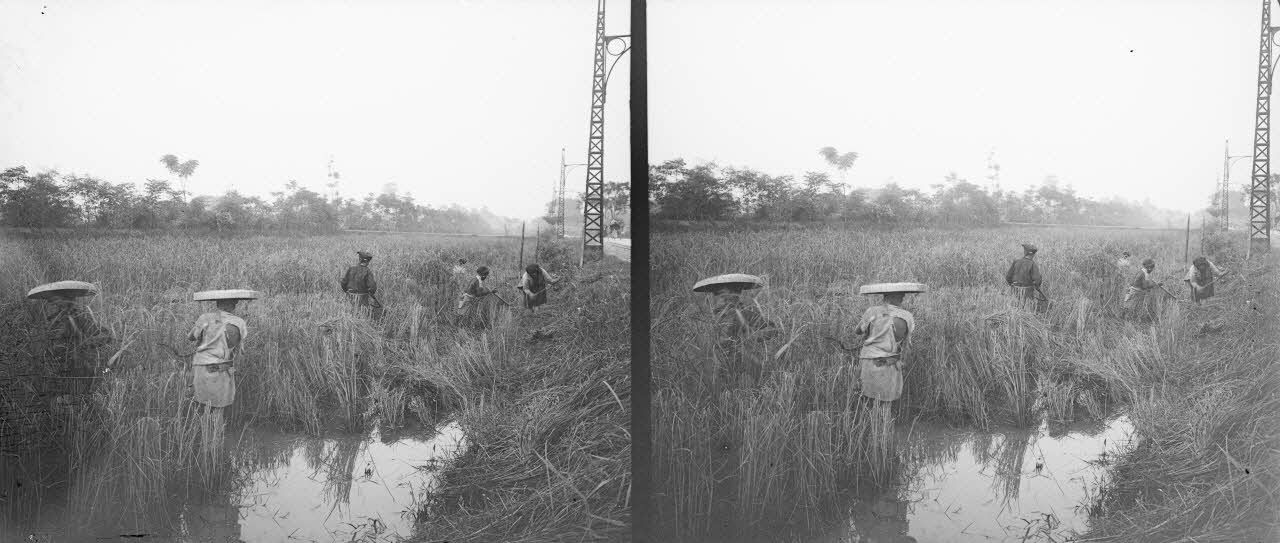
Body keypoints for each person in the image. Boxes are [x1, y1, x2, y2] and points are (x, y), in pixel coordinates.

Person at [187, 290, 257, 456]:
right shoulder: (239, 322)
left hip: (201, 366)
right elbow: (240, 348)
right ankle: (215, 446)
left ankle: (205, 445)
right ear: (233, 305)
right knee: (218, 410)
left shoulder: (205, 318)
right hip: (221, 367)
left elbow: (191, 337)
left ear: (217, 304)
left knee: (203, 405)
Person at [693, 274, 778, 394]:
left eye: (728, 295)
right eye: (718, 295)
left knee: (744, 389)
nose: (723, 299)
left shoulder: (745, 313)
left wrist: (753, 336)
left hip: (742, 366)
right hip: (714, 369)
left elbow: (772, 329)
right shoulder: (706, 318)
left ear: (737, 296)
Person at [25, 281, 113, 395]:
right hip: (57, 371)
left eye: (58, 300)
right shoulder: (50, 321)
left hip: (81, 368)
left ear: (71, 300)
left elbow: (106, 335)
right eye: (53, 301)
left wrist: (87, 344)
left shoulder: (81, 317)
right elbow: (42, 346)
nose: (55, 303)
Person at [854, 288, 918, 404]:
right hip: (890, 361)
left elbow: (858, 331)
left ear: (885, 297)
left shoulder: (872, 311)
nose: (902, 298)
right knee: (886, 400)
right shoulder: (907, 316)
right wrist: (904, 362)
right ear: (898, 298)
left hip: (869, 359)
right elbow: (906, 342)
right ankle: (883, 421)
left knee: (865, 397)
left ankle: (868, 421)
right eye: (901, 297)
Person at [340, 250, 381, 319]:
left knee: (350, 313)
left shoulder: (351, 269)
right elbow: (372, 286)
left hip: (350, 295)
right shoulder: (367, 271)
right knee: (363, 315)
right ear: (368, 262)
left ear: (359, 259)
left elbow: (343, 282)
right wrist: (370, 294)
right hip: (363, 297)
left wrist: (346, 291)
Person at [1005, 243, 1044, 311]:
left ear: (1025, 252)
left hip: (1015, 289)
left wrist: (1012, 284)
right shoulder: (1032, 264)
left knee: (1014, 308)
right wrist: (1037, 286)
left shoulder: (1016, 261)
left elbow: (1008, 277)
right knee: (1026, 310)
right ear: (1033, 254)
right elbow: (1037, 280)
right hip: (1027, 291)